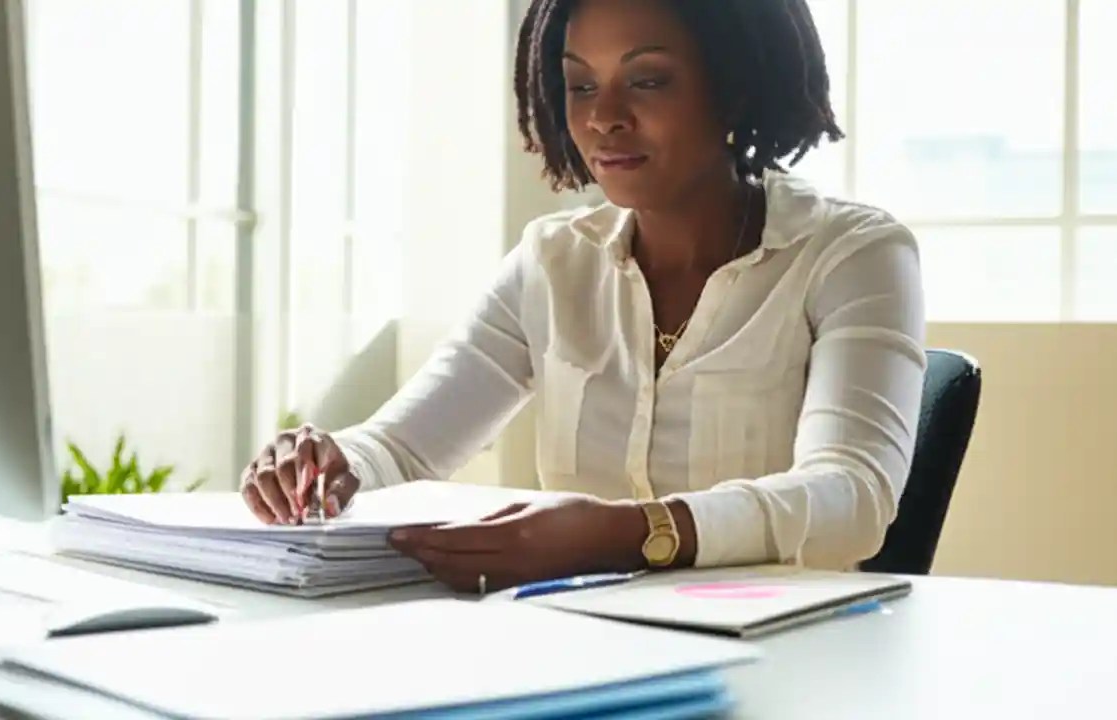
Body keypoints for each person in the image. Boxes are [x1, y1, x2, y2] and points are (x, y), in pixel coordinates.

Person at [240, 0, 926, 594]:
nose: (603, 118)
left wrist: (626, 533)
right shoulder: (552, 262)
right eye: (579, 85)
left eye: (648, 80)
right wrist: (331, 467)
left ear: (736, 86)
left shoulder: (852, 253)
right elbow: (401, 451)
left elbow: (852, 495)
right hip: (581, 644)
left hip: (795, 658)